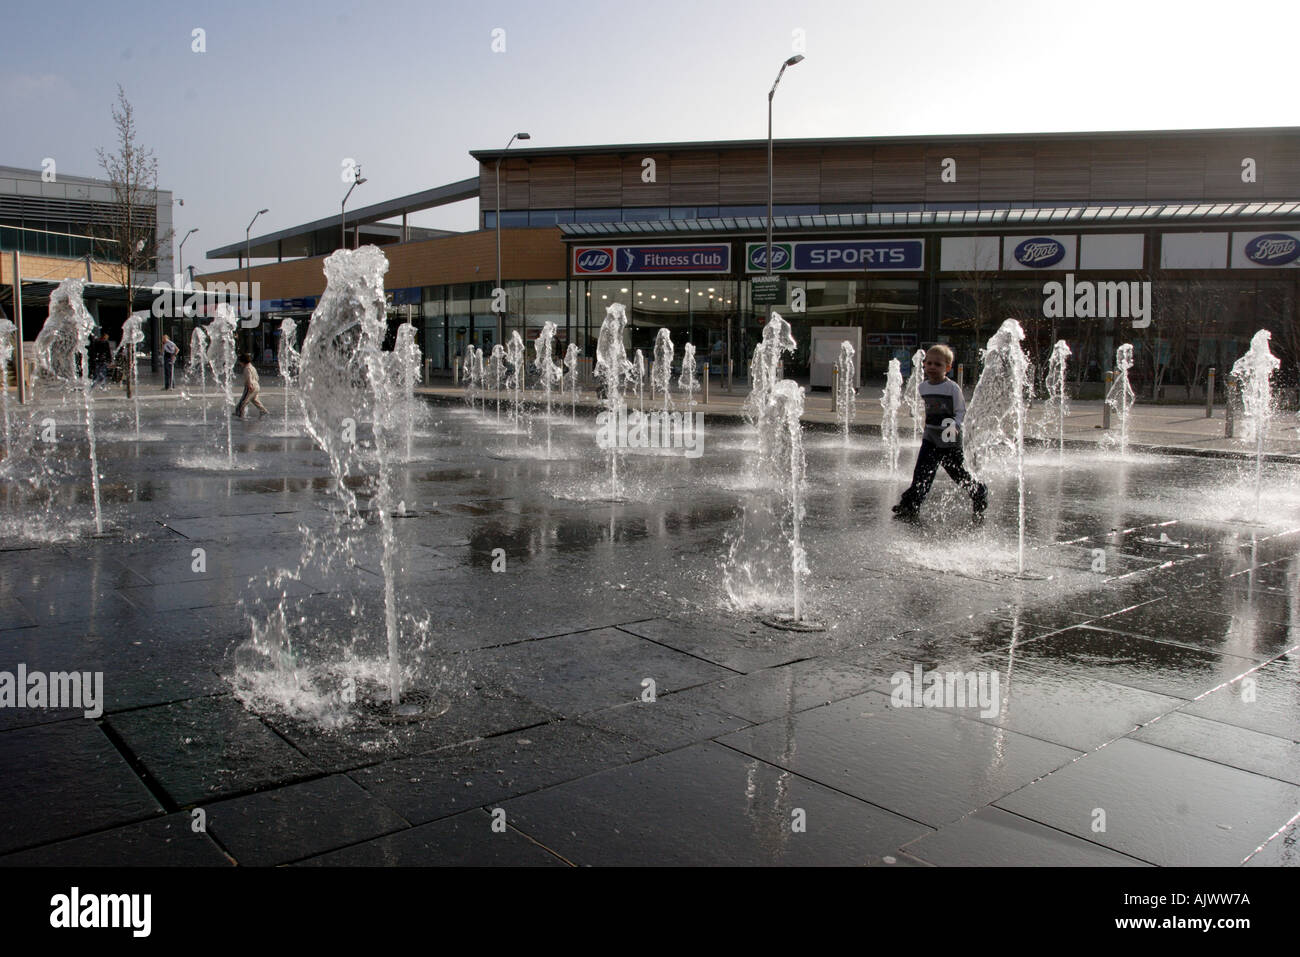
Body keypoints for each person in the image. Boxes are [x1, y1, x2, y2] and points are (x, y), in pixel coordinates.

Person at [893, 344, 988, 523]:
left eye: (937, 364)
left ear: (948, 368)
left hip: (949, 437)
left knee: (957, 472)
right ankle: (910, 505)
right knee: (921, 473)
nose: (932, 367)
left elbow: (961, 410)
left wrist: (955, 425)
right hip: (931, 436)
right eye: (928, 363)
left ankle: (978, 491)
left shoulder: (952, 388)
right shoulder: (923, 387)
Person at [233, 353, 268, 418]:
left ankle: (239, 414)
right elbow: (257, 377)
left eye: (240, 362)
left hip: (251, 387)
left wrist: (249, 385)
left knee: (243, 402)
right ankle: (263, 411)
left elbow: (248, 377)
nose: (240, 364)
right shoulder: (252, 367)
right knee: (255, 400)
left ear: (243, 362)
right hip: (256, 386)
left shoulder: (247, 368)